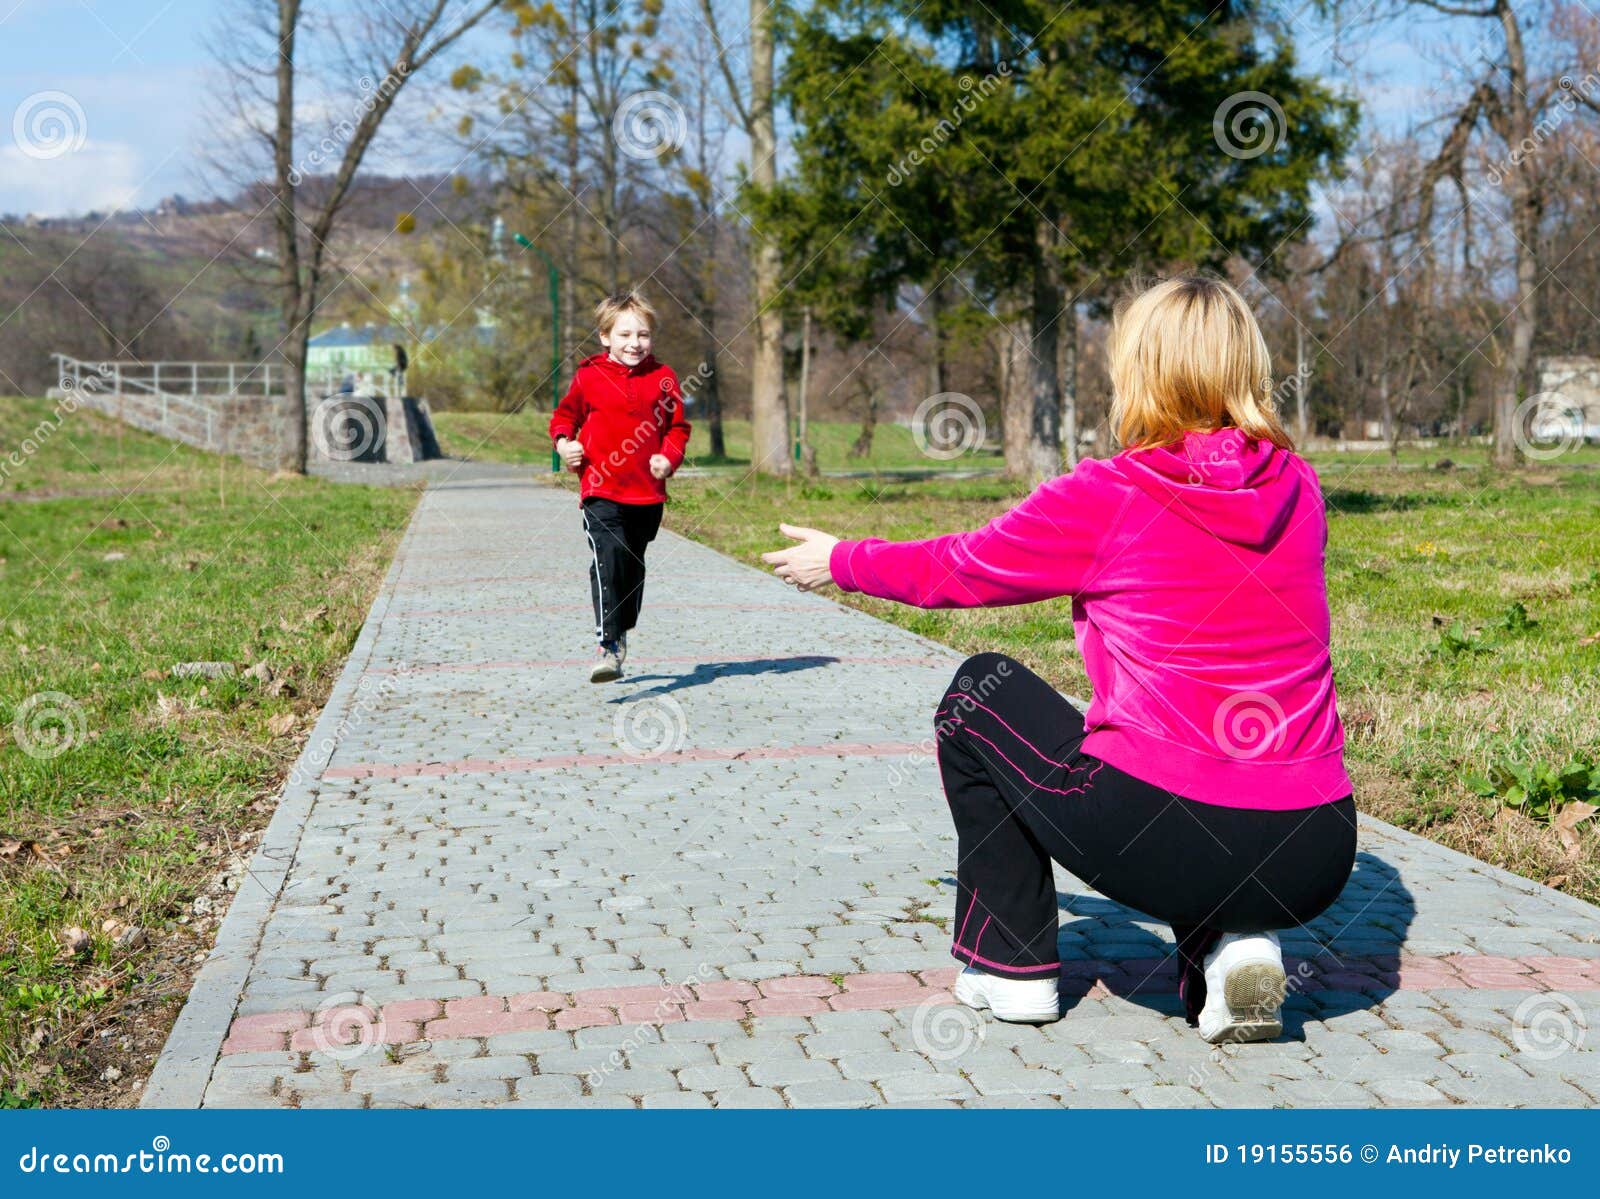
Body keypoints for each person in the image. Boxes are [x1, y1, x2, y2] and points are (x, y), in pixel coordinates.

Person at [762, 275, 1356, 1044]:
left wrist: (843, 558)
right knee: (1201, 757)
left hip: (1169, 831)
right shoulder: (1300, 488)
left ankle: (1013, 967)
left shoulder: (1115, 491)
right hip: (1315, 846)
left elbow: (963, 568)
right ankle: (1229, 944)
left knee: (981, 688)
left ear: (1140, 369)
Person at [549, 291, 691, 683]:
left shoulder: (663, 378)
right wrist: (565, 445)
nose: (635, 343)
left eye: (643, 335)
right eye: (625, 334)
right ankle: (608, 645)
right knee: (607, 554)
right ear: (605, 337)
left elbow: (677, 427)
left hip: (646, 493)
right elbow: (564, 416)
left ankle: (622, 628)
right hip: (600, 486)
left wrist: (669, 457)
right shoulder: (589, 376)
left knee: (631, 564)